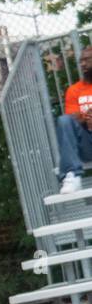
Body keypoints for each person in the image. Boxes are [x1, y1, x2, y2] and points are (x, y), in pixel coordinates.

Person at [57, 46, 92, 194]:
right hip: (87, 143)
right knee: (64, 120)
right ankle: (72, 174)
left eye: (87, 60)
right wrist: (86, 120)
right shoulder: (74, 90)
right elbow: (72, 119)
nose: (83, 64)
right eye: (81, 61)